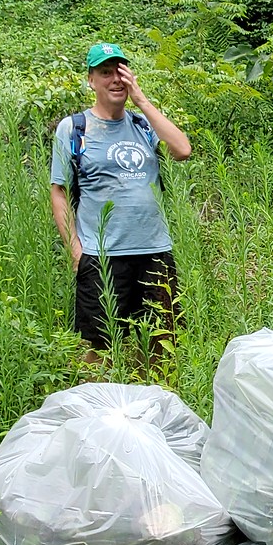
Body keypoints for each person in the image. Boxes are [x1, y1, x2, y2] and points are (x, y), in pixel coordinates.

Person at [50, 41, 193, 359]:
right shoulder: (75, 129)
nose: (115, 79)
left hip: (155, 252)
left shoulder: (143, 125)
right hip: (101, 257)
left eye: (120, 71)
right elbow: (59, 191)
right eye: (105, 72)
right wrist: (75, 250)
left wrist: (141, 100)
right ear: (91, 80)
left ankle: (154, 404)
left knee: (160, 345)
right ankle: (95, 406)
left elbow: (182, 150)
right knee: (96, 351)